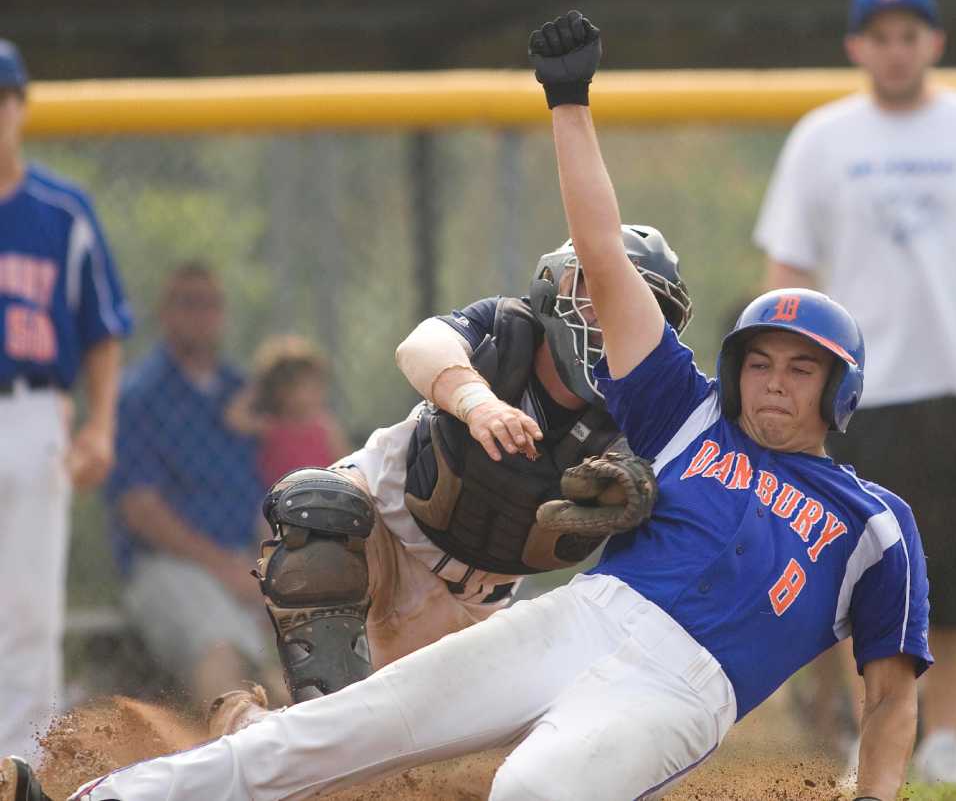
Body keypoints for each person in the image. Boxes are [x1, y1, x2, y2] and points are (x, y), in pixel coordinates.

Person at [0, 11, 931, 801]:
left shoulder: (877, 524)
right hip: (581, 614)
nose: (773, 379)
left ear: (838, 390)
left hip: (681, 682)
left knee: (532, 789)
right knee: (330, 732)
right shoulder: (686, 415)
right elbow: (601, 254)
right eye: (760, 360)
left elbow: (891, 696)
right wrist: (570, 104)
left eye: (800, 369)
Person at [205, 222, 692, 733]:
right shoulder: (506, 328)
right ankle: (298, 736)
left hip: (472, 604)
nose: (609, 311)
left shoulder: (642, 415)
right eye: (595, 287)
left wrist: (643, 499)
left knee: (503, 740)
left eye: (638, 301)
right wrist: (476, 401)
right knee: (318, 507)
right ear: (555, 282)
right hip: (381, 526)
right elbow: (420, 345)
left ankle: (266, 730)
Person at [754, 0, 956, 783]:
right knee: (850, 567)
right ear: (855, 48)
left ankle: (943, 737)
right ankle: (869, 732)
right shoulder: (823, 138)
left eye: (910, 33)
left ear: (934, 42)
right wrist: (788, 374)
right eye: (880, 35)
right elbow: (789, 268)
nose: (895, 48)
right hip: (856, 389)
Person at [0, 39, 133, 762]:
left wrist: (101, 425)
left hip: (30, 411)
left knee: (26, 610)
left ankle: (17, 764)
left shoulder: (61, 212)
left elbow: (101, 332)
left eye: (0, 101)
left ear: (20, 108)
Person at [102, 262, 275, 710]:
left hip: (243, 563)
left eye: (212, 304)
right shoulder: (139, 395)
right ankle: (235, 764)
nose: (202, 314)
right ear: (165, 313)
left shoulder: (240, 392)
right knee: (220, 649)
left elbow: (267, 494)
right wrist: (225, 570)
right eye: (188, 303)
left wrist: (271, 562)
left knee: (290, 663)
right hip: (166, 565)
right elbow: (140, 510)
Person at [224, 334, 352, 488]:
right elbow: (233, 418)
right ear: (282, 390)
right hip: (280, 499)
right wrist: (260, 387)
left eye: (319, 385)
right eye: (307, 386)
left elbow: (345, 465)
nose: (317, 393)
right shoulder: (272, 425)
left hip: (319, 496)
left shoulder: (324, 426)